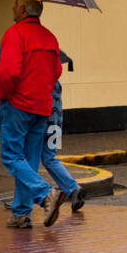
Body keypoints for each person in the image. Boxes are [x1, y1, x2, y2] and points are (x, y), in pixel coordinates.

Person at [0, 0, 64, 228]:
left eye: (15, 4)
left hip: (17, 105)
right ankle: (21, 214)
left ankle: (45, 194)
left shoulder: (15, 33)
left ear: (23, 10)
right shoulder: (50, 37)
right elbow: (56, 72)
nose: (13, 8)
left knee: (11, 156)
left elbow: (7, 73)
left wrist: (3, 97)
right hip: (41, 107)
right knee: (29, 160)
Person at [42, 76, 87, 213]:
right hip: (56, 125)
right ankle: (73, 188)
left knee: (26, 159)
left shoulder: (41, 80)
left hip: (42, 123)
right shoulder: (56, 82)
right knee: (50, 159)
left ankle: (26, 198)